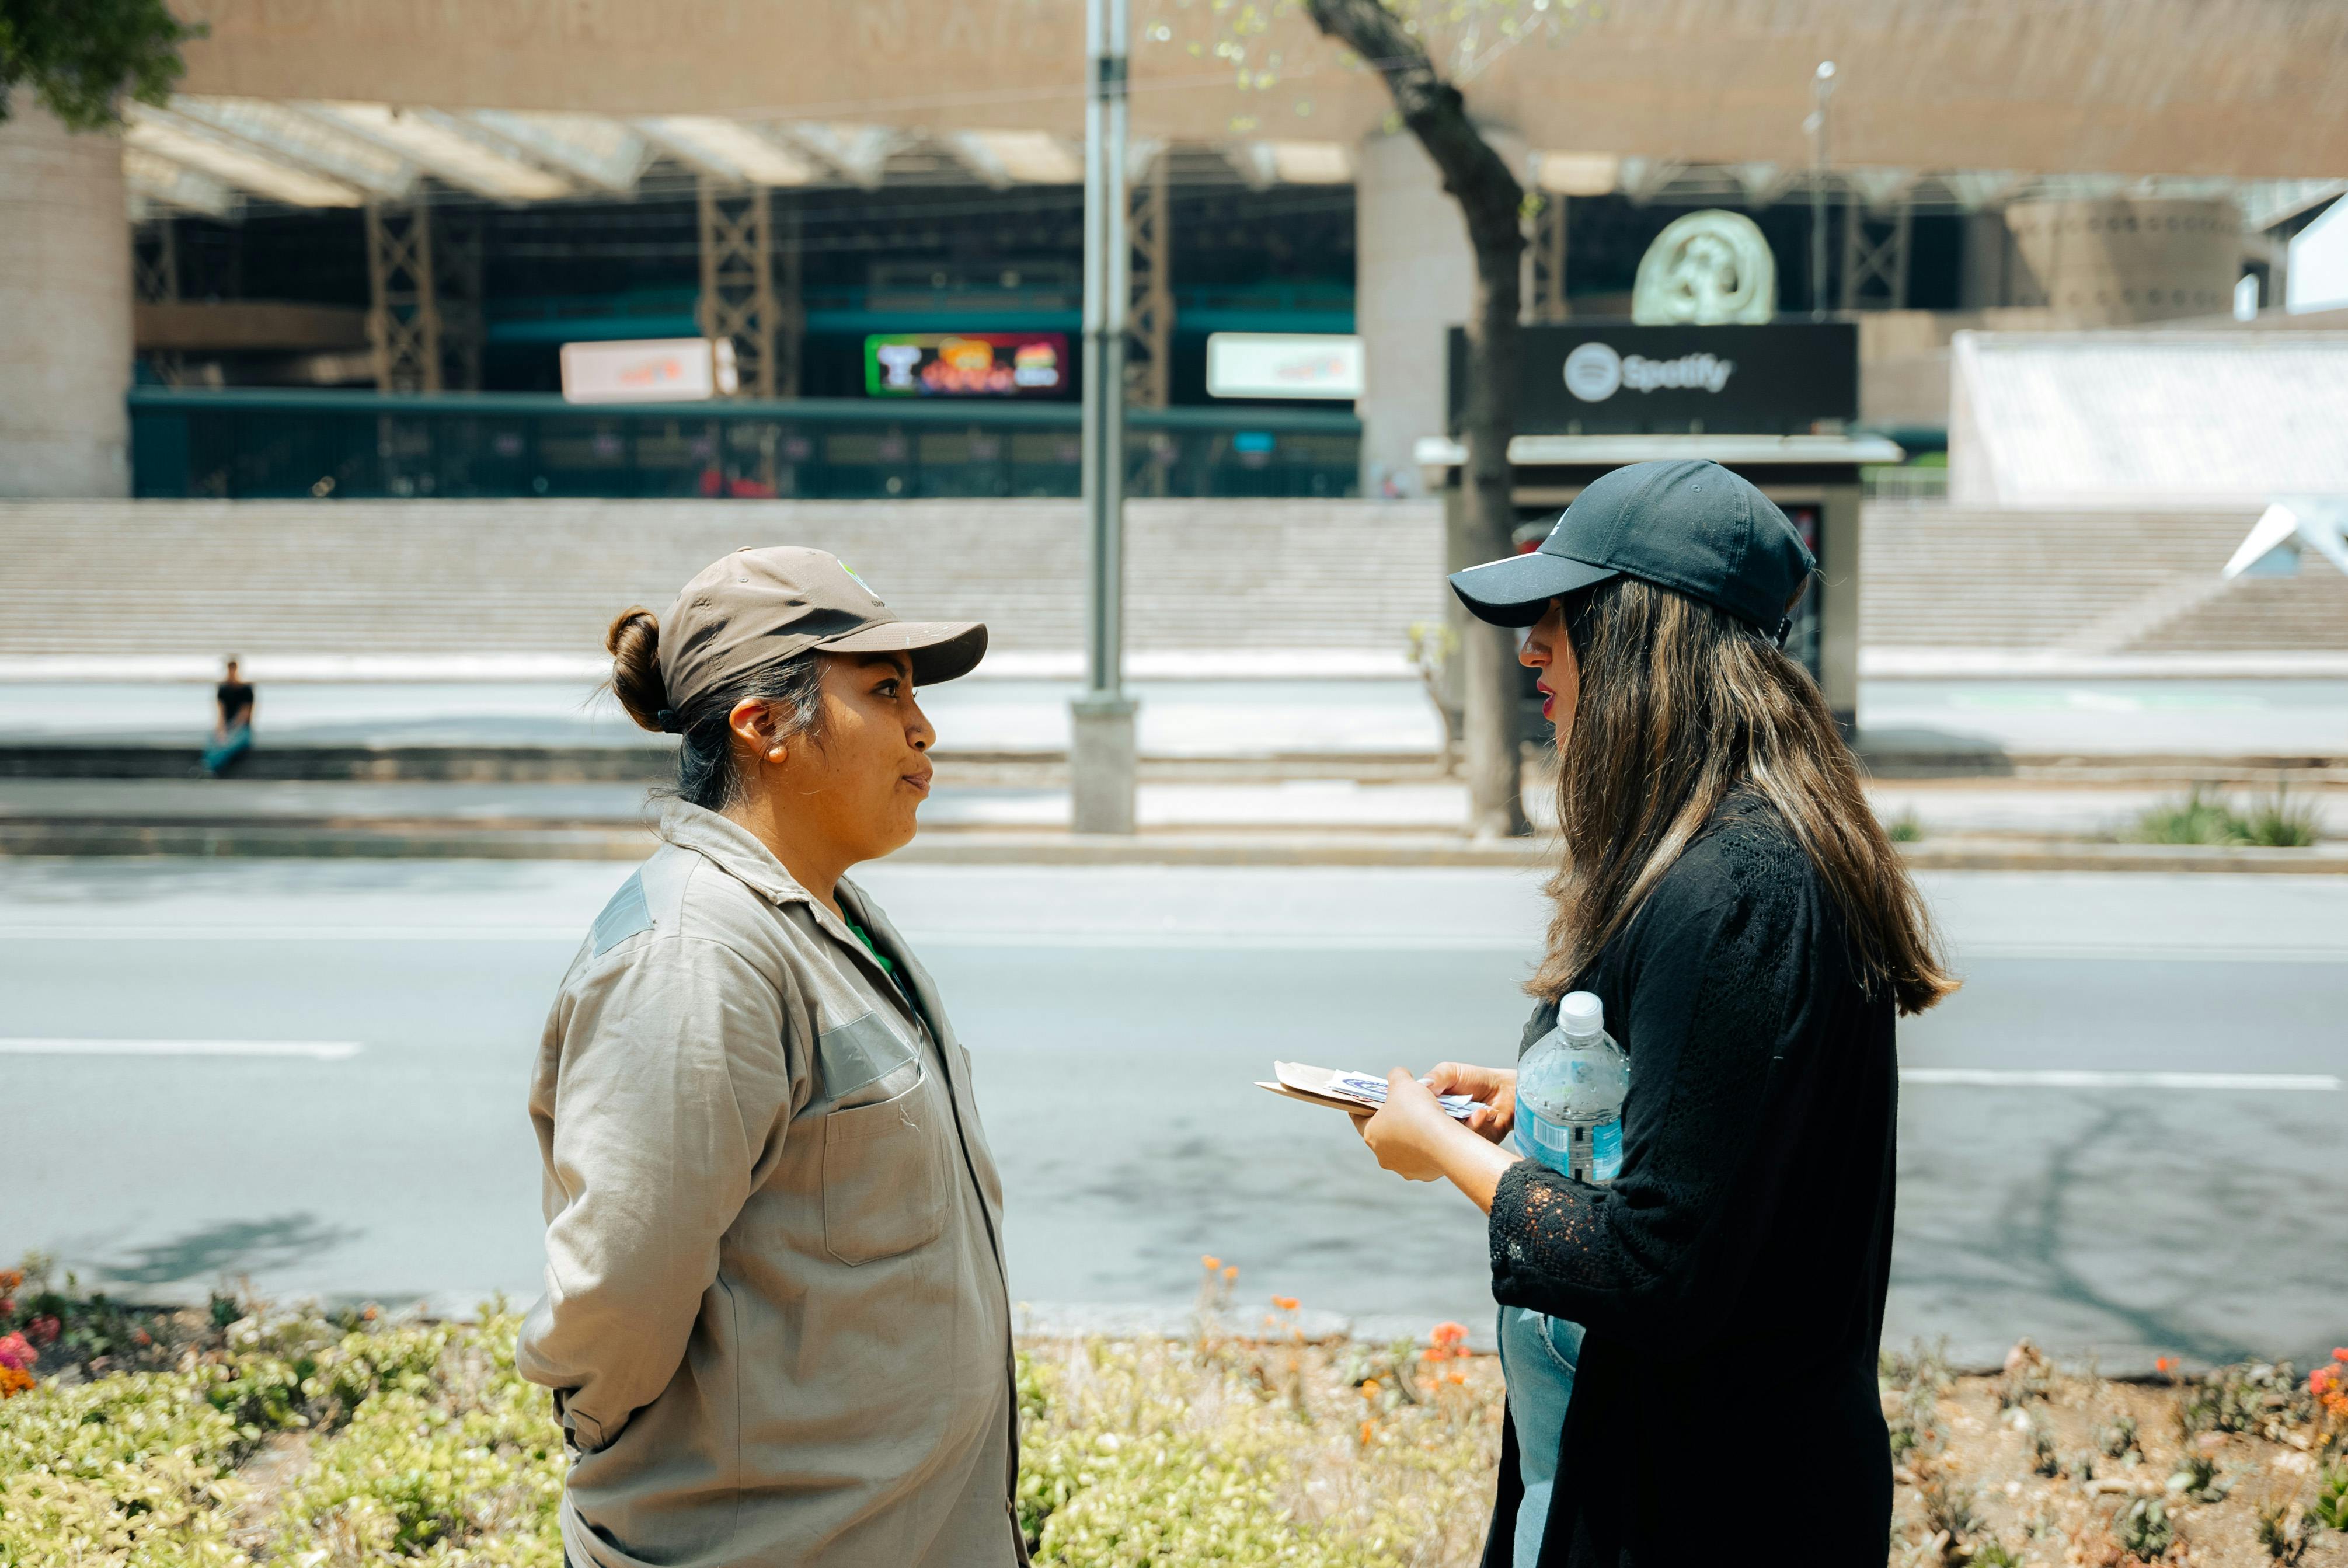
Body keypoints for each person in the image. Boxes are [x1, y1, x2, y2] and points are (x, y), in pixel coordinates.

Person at [1351, 460, 1955, 1567]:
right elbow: (1715, 1127)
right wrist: (1532, 1100)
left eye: (1560, 612)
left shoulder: (1736, 884)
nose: (1530, 644)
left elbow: (1652, 1264)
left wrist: (1438, 1148)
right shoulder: (1737, 855)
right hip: (1677, 1482)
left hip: (1706, 1513)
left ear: (1642, 633)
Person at [517, 546, 1025, 1568]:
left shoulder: (825, 913)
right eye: (884, 691)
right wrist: (620, 1442)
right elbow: (620, 1285)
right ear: (762, 727)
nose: (923, 728)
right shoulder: (698, 952)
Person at [203, 657, 255, 776]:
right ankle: (207, 767)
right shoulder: (223, 689)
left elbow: (243, 716)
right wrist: (221, 731)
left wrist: (229, 732)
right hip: (227, 727)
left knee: (228, 744)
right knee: (213, 741)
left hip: (242, 730)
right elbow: (221, 713)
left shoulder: (246, 690)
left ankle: (210, 768)